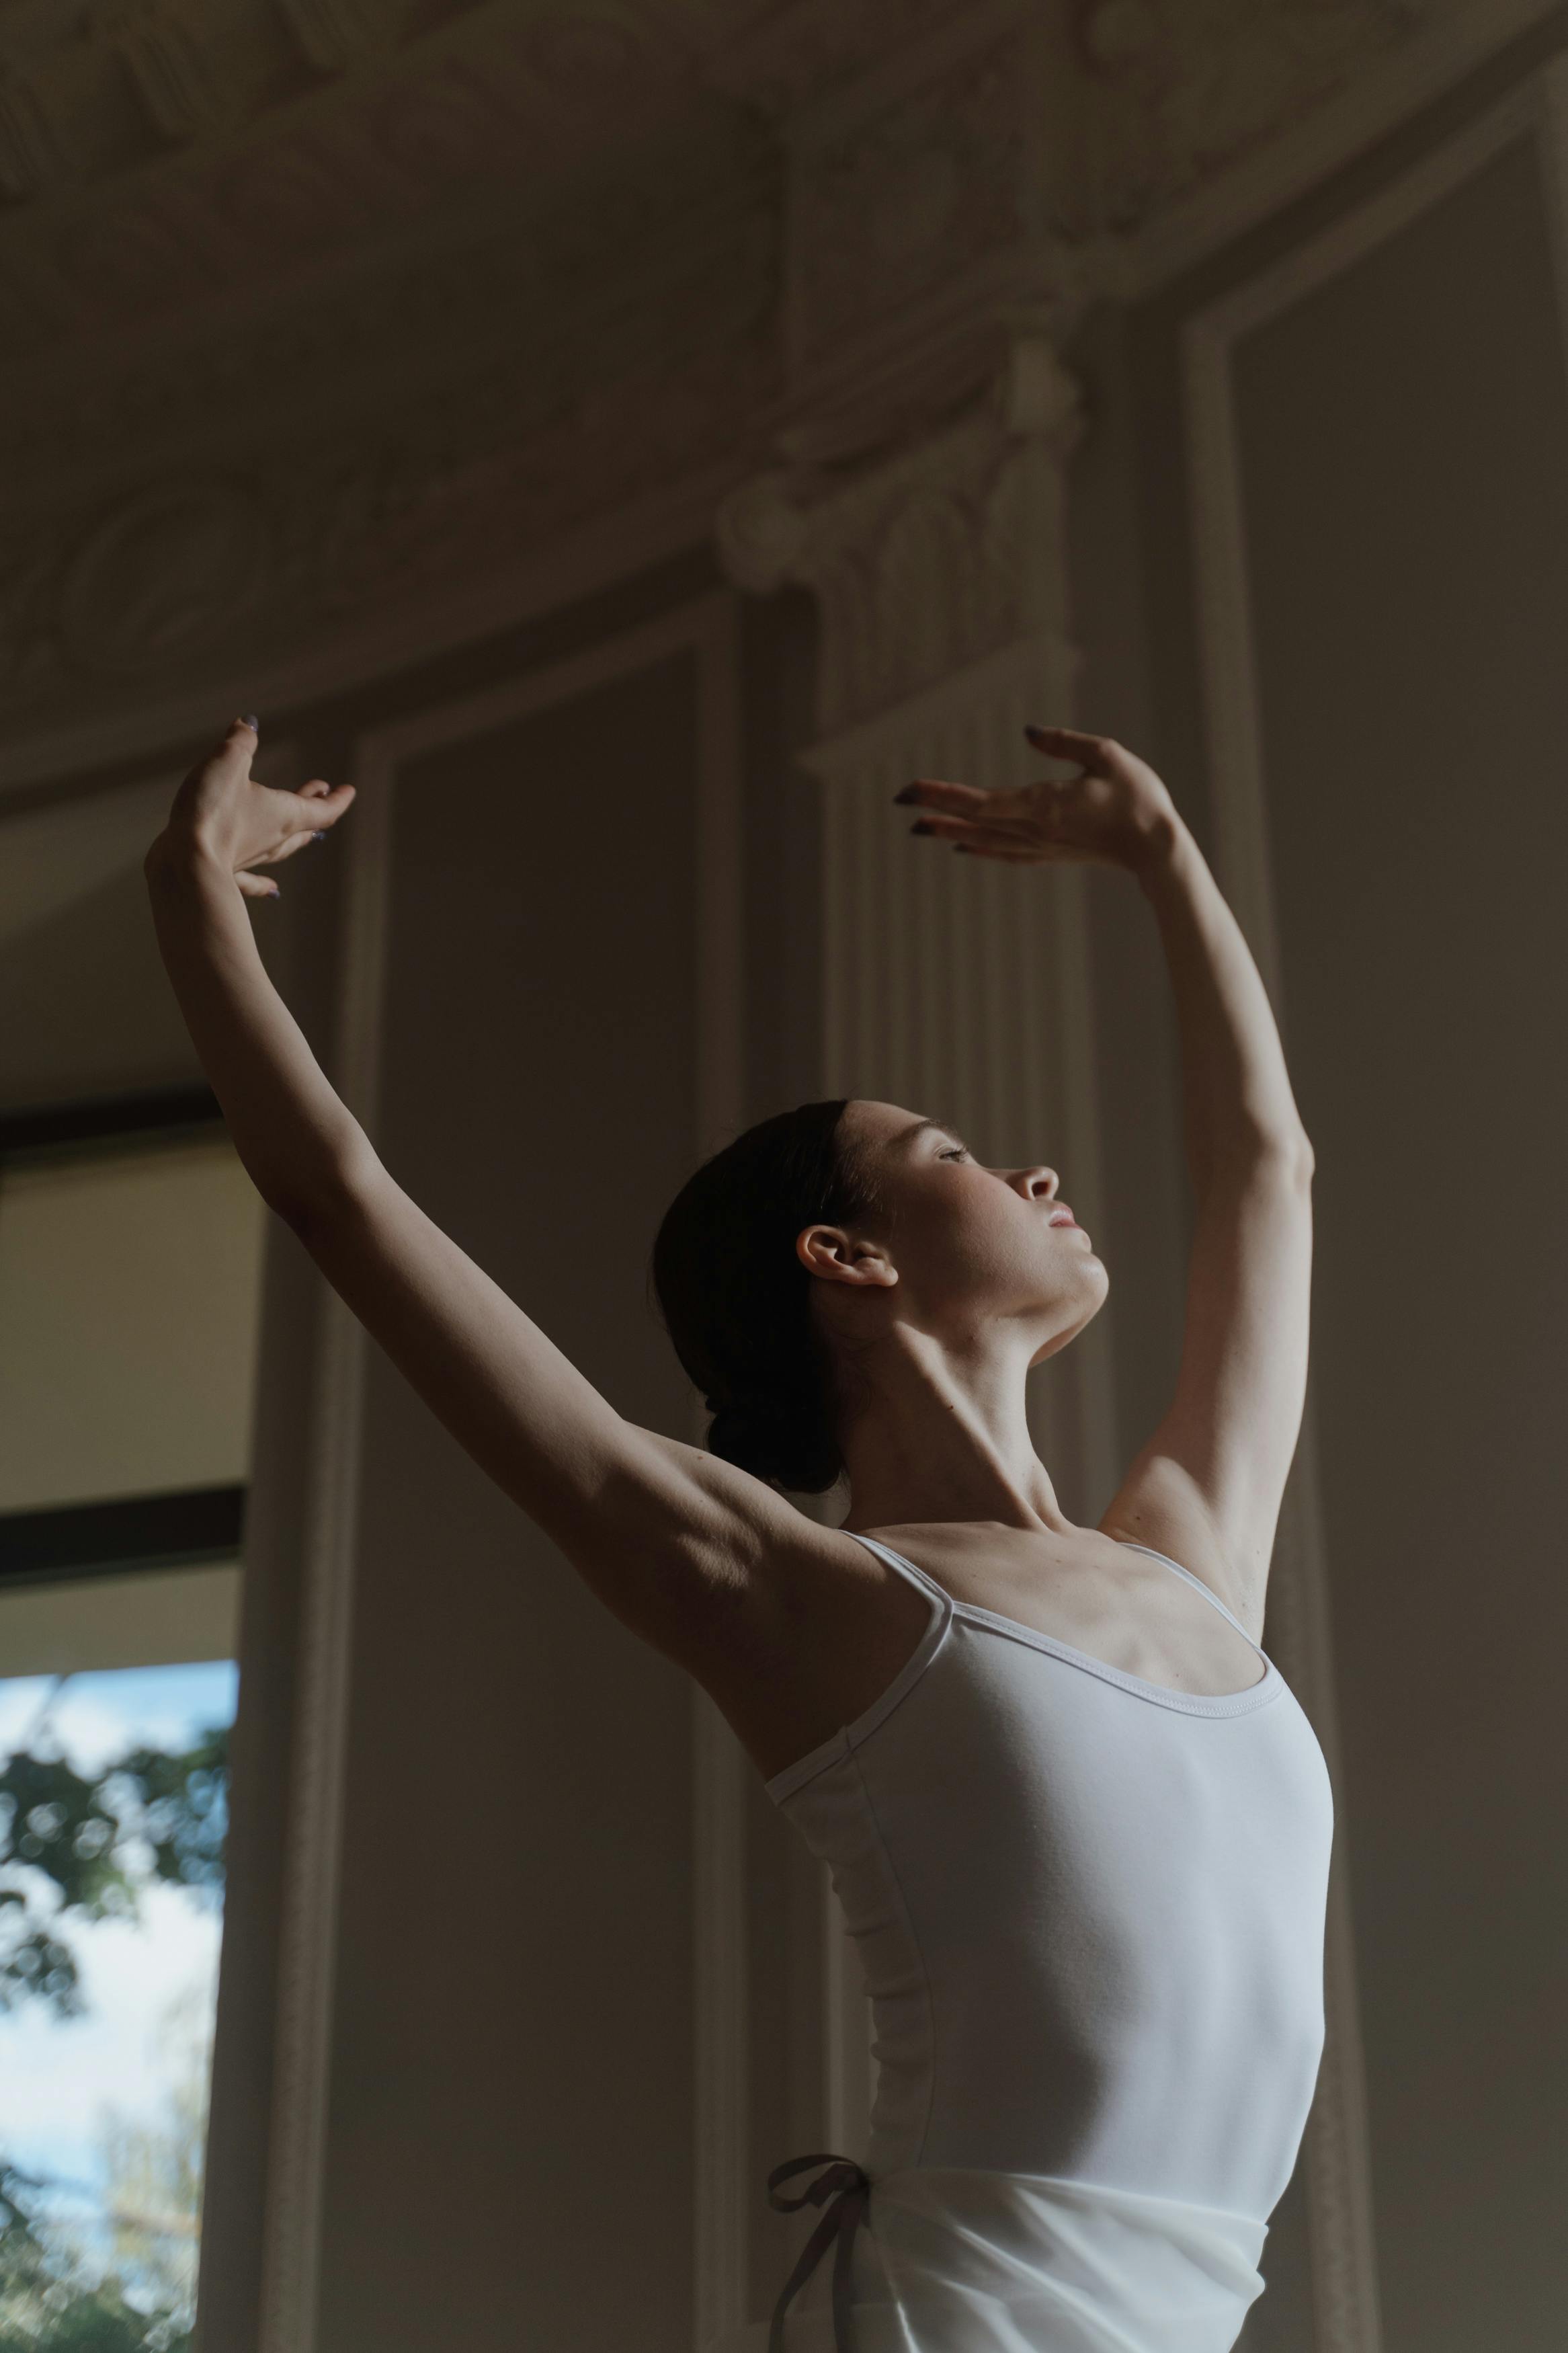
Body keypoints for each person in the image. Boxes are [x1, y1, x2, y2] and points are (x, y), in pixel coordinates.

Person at [145, 717, 1330, 2353]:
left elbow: (1270, 1169)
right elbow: (340, 1194)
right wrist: (194, 891)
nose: (1034, 1166)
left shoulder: (1189, 1558)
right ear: (845, 1254)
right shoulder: (798, 1590)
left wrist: (1166, 856)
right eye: (951, 1154)